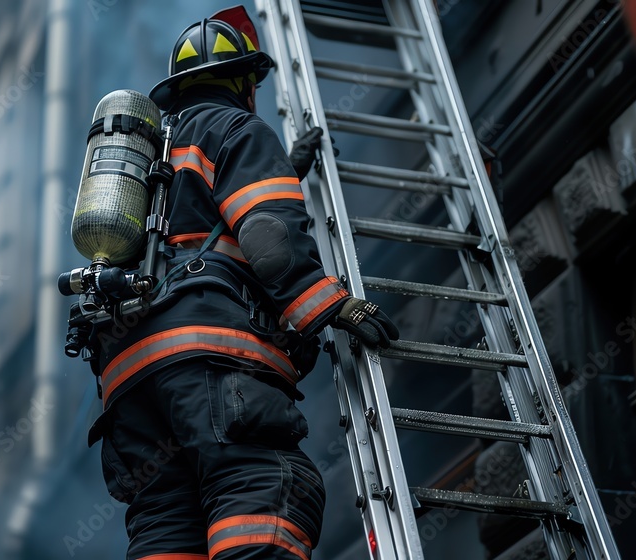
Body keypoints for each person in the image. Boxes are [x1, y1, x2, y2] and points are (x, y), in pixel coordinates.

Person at [85, 6, 398, 559]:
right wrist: (332, 305)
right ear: (243, 82)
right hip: (205, 355)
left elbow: (193, 222)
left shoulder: (155, 152)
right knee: (264, 488)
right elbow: (267, 235)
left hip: (127, 382)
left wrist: (287, 169)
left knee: (167, 522)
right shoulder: (236, 128)